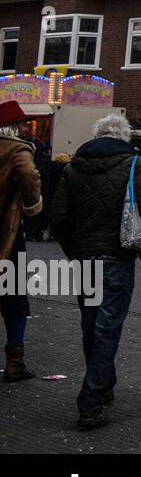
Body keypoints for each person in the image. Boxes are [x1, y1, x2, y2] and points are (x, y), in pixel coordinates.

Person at [49, 113, 141, 430]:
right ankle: (91, 402)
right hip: (116, 255)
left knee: (90, 323)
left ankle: (103, 384)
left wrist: (75, 250)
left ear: (96, 135)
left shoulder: (72, 168)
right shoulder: (134, 165)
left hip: (84, 257)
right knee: (107, 328)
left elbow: (59, 218)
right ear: (123, 136)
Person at [0, 101, 44, 382]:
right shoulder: (17, 149)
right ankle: (15, 362)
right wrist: (33, 206)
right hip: (8, 234)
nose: (27, 128)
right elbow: (29, 175)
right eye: (23, 124)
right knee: (14, 297)